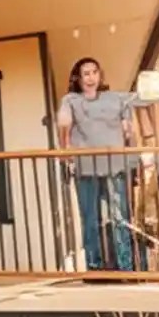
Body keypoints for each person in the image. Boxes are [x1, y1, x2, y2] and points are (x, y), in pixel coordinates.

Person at [56, 57, 137, 271]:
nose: (91, 77)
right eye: (86, 73)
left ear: (100, 75)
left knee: (120, 219)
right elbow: (64, 125)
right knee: (90, 221)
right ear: (79, 78)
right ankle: (94, 267)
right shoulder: (71, 100)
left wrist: (130, 133)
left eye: (94, 72)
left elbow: (128, 128)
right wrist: (65, 152)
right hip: (86, 169)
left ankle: (126, 266)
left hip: (115, 166)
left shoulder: (115, 98)